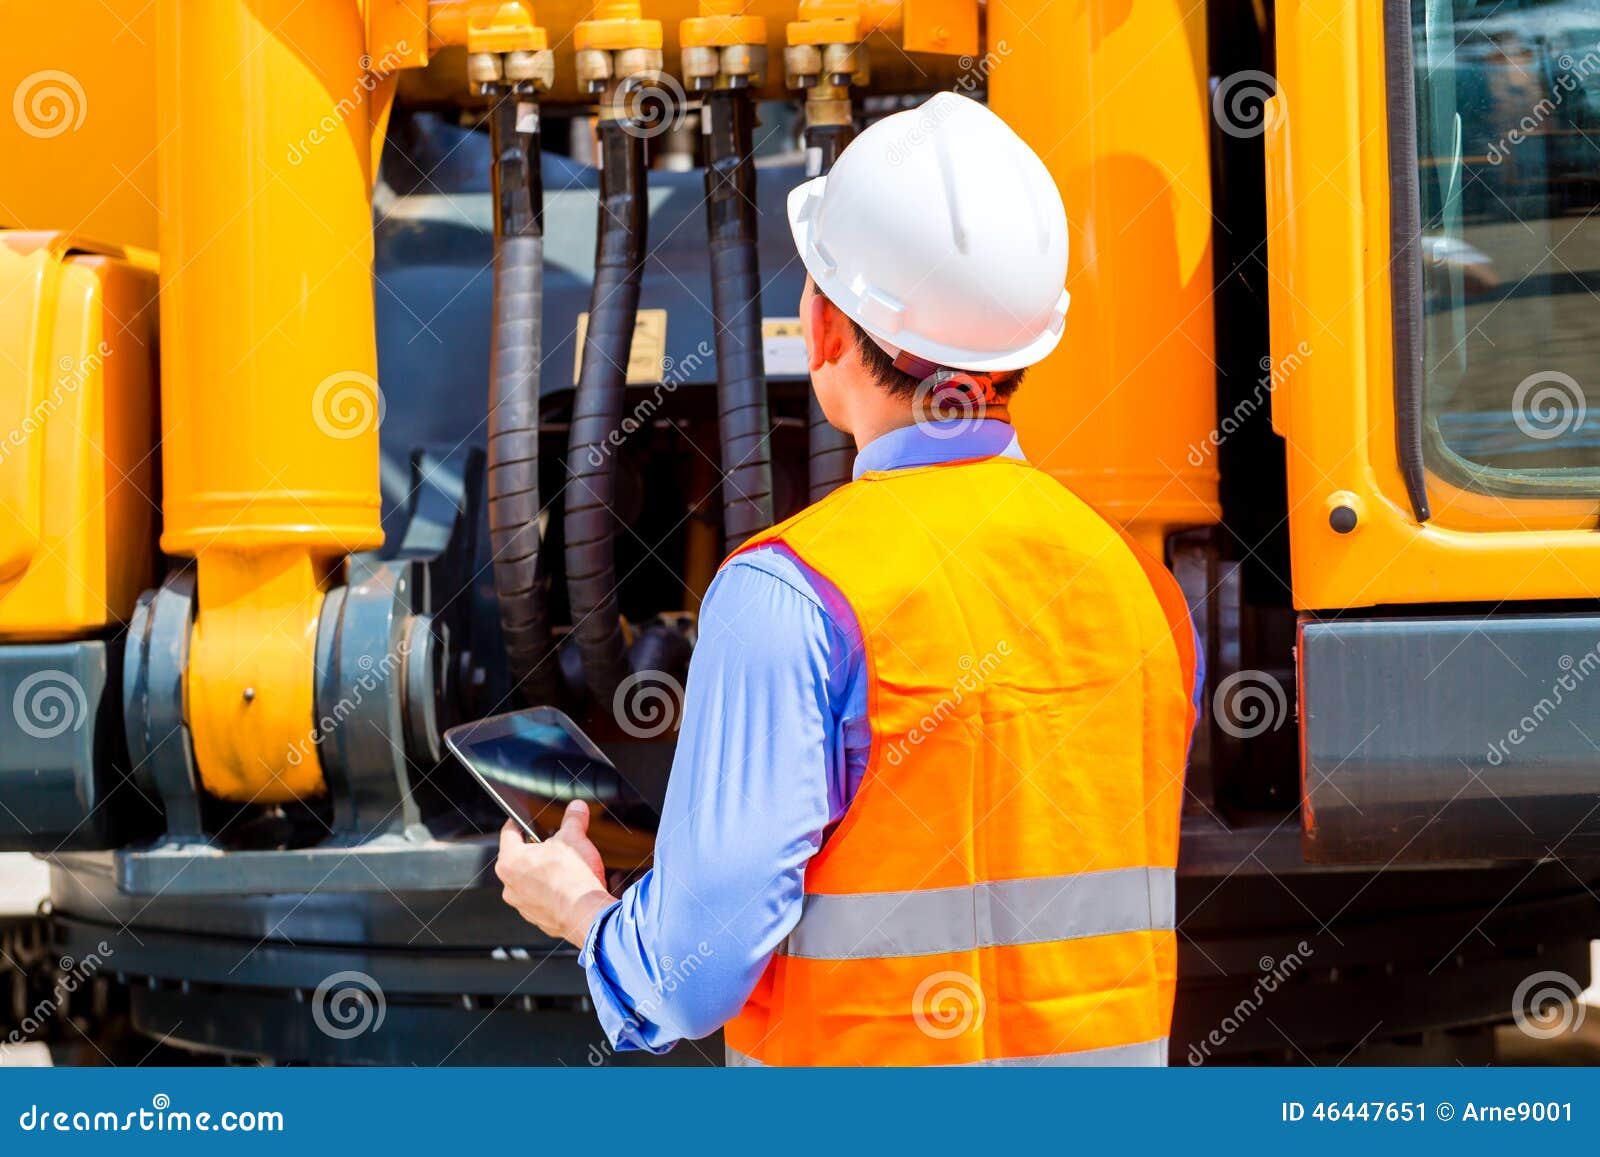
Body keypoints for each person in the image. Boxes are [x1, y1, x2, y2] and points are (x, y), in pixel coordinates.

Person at [494, 91, 1198, 1066]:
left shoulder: (788, 593)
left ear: (823, 329)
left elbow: (689, 974)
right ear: (1024, 352)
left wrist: (578, 903)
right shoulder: (1142, 587)